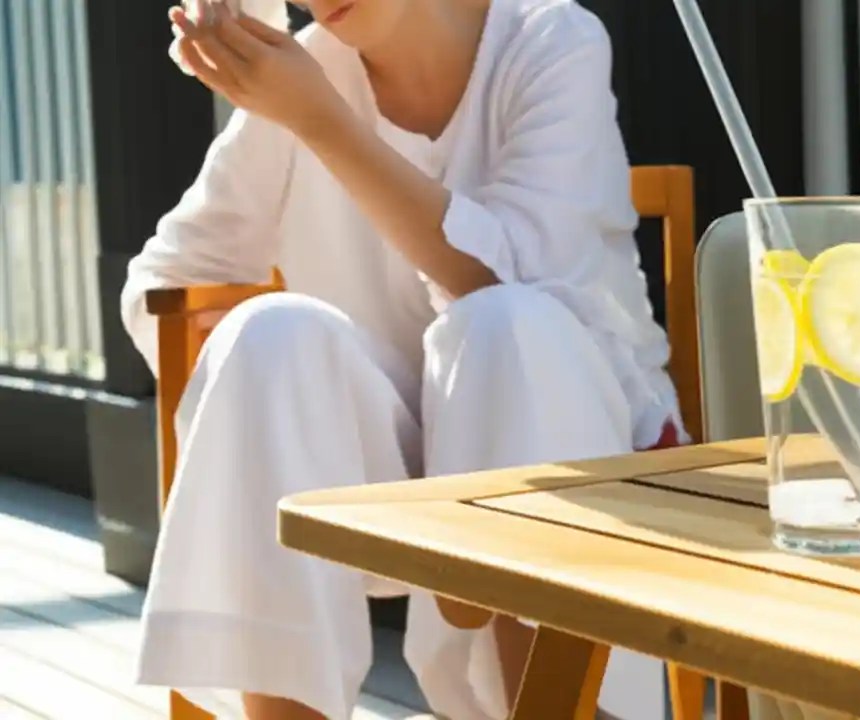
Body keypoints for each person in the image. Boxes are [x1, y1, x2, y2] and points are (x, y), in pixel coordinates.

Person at [122, 0, 688, 718]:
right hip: (389, 468)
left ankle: (556, 704)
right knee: (271, 334)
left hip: (576, 443)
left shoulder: (550, 38)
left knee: (504, 321)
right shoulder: (302, 71)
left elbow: (510, 271)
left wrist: (322, 122)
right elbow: (168, 279)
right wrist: (263, 393)